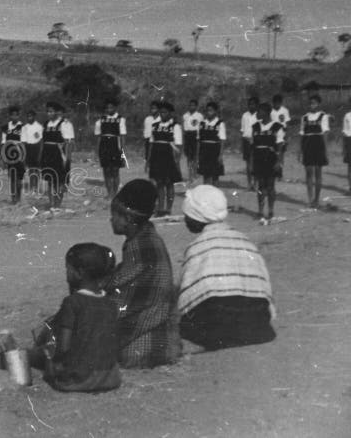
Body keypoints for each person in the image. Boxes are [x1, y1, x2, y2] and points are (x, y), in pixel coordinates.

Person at [179, 185, 276, 351]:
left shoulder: (197, 247)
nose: (185, 218)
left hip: (220, 329)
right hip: (259, 327)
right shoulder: (244, 241)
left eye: (187, 215)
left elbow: (187, 299)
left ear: (197, 217)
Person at [105, 179, 180, 368]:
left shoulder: (140, 246)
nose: (111, 219)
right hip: (163, 332)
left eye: (114, 215)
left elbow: (123, 293)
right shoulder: (147, 238)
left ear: (128, 218)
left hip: (146, 339)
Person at [29, 243, 121, 392]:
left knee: (35, 356)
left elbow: (64, 348)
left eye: (68, 269)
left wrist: (51, 362)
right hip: (111, 378)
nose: (66, 273)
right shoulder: (110, 303)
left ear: (79, 273)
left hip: (79, 380)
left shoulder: (72, 303)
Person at [147, 102, 182, 216]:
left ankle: (168, 209)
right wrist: (148, 160)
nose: (162, 114)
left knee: (169, 182)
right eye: (161, 112)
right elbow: (151, 144)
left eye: (165, 112)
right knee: (159, 183)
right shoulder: (155, 125)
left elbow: (178, 145)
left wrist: (177, 161)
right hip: (157, 156)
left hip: (168, 156)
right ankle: (161, 208)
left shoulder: (175, 126)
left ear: (170, 114)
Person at [251, 103, 284, 222]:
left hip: (271, 158)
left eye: (259, 111)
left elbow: (280, 146)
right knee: (260, 186)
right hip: (259, 158)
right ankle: (260, 211)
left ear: (266, 112)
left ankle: (270, 210)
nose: (257, 114)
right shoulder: (255, 126)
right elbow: (253, 146)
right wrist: (251, 163)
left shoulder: (277, 126)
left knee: (270, 186)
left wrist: (278, 162)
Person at [41, 102, 74, 210]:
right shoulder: (45, 124)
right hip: (47, 154)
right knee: (50, 180)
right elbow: (43, 141)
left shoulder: (65, 124)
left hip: (59, 155)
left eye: (51, 111)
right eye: (47, 111)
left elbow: (68, 143)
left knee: (59, 181)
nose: (49, 113)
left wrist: (67, 160)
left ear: (56, 112)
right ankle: (51, 205)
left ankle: (57, 205)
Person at [300, 94, 330, 209]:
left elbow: (325, 134)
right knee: (308, 173)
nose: (312, 105)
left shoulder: (323, 116)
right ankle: (310, 199)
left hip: (318, 145)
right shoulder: (304, 117)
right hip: (307, 145)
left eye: (314, 103)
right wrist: (300, 151)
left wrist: (326, 151)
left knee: (318, 173)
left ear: (318, 104)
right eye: (310, 103)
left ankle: (317, 199)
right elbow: (302, 134)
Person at [94, 98, 126, 199]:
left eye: (111, 107)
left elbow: (122, 137)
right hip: (104, 145)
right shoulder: (100, 120)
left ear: (115, 108)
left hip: (115, 145)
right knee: (106, 170)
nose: (109, 109)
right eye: (107, 108)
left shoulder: (120, 119)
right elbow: (98, 137)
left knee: (115, 170)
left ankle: (115, 193)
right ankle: (109, 193)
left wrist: (122, 151)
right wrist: (97, 151)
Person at [196, 102, 226, 186]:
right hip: (204, 151)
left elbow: (222, 140)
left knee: (215, 175)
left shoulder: (220, 123)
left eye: (211, 110)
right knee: (206, 175)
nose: (209, 112)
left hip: (214, 150)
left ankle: (215, 195)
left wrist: (220, 155)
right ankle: (207, 195)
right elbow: (198, 140)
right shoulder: (202, 123)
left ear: (215, 111)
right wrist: (198, 155)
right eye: (207, 110)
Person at [1, 106, 26, 204]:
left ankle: (18, 197)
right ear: (10, 116)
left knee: (19, 178)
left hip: (19, 154)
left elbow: (23, 143)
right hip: (9, 154)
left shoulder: (23, 127)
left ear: (19, 116)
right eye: (12, 115)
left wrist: (23, 158)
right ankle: (13, 198)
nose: (14, 117)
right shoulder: (5, 127)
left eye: (16, 115)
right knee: (12, 177)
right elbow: (3, 143)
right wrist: (3, 158)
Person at [22, 109, 43, 194]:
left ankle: (36, 186)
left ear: (34, 117)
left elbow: (41, 140)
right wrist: (24, 152)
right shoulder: (25, 127)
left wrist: (40, 152)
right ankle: (31, 185)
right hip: (28, 147)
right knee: (30, 168)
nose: (29, 118)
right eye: (28, 116)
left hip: (36, 147)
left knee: (37, 168)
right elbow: (23, 141)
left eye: (31, 116)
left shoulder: (39, 126)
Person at [182, 100, 203, 183]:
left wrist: (199, 137)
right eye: (190, 105)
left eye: (193, 105)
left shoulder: (199, 116)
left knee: (195, 156)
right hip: (188, 136)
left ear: (196, 106)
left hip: (196, 136)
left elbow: (201, 127)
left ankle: (195, 173)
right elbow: (183, 128)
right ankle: (190, 175)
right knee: (189, 157)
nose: (191, 107)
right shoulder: (185, 116)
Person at [240, 97, 260, 190]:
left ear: (256, 105)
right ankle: (249, 184)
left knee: (256, 163)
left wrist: (255, 139)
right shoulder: (245, 115)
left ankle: (255, 184)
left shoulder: (259, 115)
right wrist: (245, 140)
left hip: (256, 141)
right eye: (250, 104)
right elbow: (243, 130)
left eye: (253, 104)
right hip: (247, 140)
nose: (251, 106)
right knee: (248, 164)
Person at [271, 94, 291, 177]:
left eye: (279, 103)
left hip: (282, 136)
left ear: (281, 103)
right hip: (272, 136)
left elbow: (287, 124)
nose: (277, 105)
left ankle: (280, 172)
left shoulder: (285, 110)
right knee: (273, 154)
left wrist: (287, 136)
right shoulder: (271, 111)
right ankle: (273, 171)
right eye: (275, 103)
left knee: (281, 154)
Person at [142, 101, 160, 165]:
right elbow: (145, 130)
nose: (153, 110)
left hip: (157, 140)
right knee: (148, 156)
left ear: (158, 109)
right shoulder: (147, 119)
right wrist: (145, 138)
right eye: (152, 108)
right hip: (148, 140)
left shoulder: (160, 119)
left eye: (155, 108)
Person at [344, 106, 351, 193]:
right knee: (350, 166)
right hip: (350, 140)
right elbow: (345, 131)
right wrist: (345, 146)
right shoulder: (347, 116)